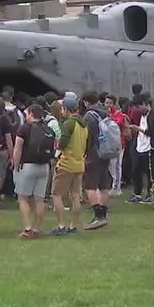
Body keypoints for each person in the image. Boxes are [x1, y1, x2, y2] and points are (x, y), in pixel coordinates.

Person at [13, 104, 55, 238]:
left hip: (28, 165)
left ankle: (27, 228)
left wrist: (16, 165)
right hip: (44, 166)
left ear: (31, 114)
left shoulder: (24, 128)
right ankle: (36, 228)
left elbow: (18, 148)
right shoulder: (48, 129)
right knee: (39, 199)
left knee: (23, 198)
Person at [50, 94, 87, 235]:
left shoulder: (68, 123)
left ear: (66, 109)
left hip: (67, 163)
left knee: (57, 194)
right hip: (79, 163)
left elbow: (62, 144)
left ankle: (61, 226)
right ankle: (73, 225)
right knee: (76, 195)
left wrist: (58, 145)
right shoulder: (83, 124)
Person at [80, 92, 114, 230]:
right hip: (106, 151)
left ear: (86, 102)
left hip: (94, 152)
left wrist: (84, 152)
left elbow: (88, 136)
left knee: (90, 185)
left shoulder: (89, 116)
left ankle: (98, 216)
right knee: (103, 184)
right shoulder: (105, 112)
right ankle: (103, 215)